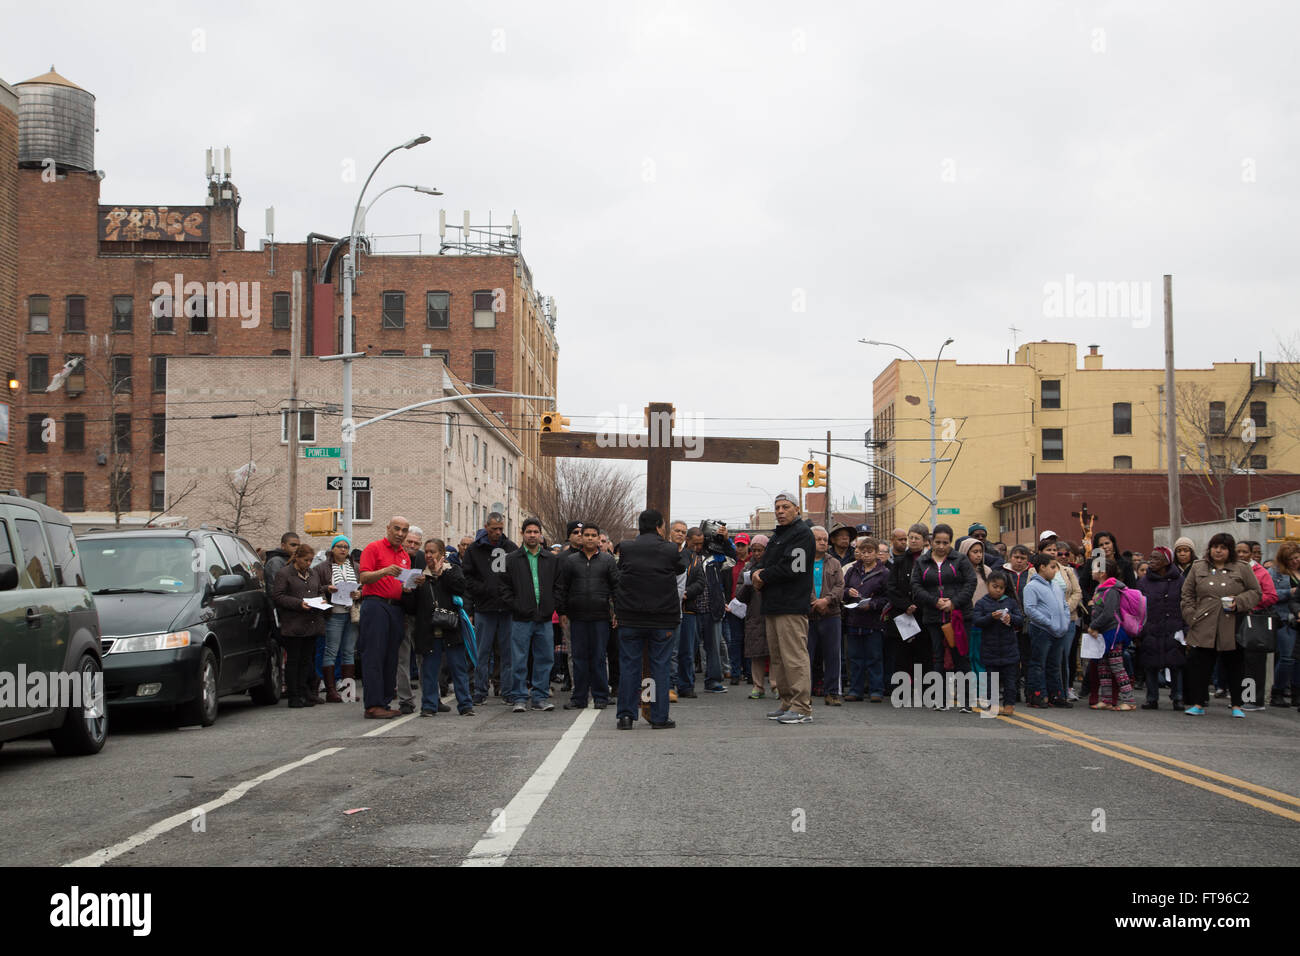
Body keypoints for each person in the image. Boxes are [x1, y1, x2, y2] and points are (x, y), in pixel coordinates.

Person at [612, 509, 686, 729]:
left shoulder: (626, 548)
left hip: (630, 617)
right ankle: (659, 716)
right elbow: (680, 567)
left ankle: (625, 716)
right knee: (660, 668)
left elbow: (620, 572)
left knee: (629, 667)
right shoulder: (670, 549)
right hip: (662, 618)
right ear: (659, 526)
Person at [1181, 532, 1261, 717]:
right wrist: (1191, 616)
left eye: (1223, 548)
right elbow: (1187, 594)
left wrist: (1239, 602)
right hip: (1203, 623)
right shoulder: (1198, 566)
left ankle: (1237, 705)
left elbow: (1255, 592)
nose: (1218, 551)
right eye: (1215, 547)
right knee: (1200, 665)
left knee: (1235, 665)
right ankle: (1197, 703)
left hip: (1232, 623)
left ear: (1229, 550)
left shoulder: (1242, 568)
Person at [754, 492, 817, 724]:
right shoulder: (778, 536)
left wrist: (763, 575)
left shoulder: (802, 534)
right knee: (779, 658)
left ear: (797, 510)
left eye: (785, 507)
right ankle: (787, 702)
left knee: (794, 657)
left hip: (791, 605)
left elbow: (795, 568)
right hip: (773, 604)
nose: (780, 511)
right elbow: (764, 562)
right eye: (777, 507)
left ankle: (802, 707)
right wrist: (757, 572)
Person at [911, 523, 977, 711]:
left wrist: (953, 603)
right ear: (931, 542)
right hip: (933, 616)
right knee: (937, 657)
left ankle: (966, 701)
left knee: (961, 656)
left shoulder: (960, 560)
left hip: (959, 616)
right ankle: (940, 699)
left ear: (950, 542)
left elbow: (970, 583)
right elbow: (916, 586)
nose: (941, 546)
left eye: (945, 542)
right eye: (937, 542)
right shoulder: (922, 562)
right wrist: (934, 601)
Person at [498, 518, 561, 712]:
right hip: (520, 618)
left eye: (535, 531)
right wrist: (516, 606)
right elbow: (503, 588)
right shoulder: (510, 559)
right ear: (522, 533)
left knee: (545, 658)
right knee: (518, 659)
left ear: (540, 534)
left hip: (544, 618)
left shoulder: (551, 559)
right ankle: (519, 697)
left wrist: (551, 605)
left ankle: (540, 697)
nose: (532, 535)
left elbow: (559, 586)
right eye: (528, 531)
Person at [557, 523, 619, 711]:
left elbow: (616, 587)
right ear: (581, 538)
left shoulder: (608, 561)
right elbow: (562, 588)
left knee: (599, 657)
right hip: (577, 617)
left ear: (598, 538)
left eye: (593, 535)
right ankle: (579, 698)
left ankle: (601, 696)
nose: (590, 538)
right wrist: (562, 612)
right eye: (587, 535)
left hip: (601, 617)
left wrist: (617, 611)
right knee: (579, 658)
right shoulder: (571, 561)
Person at [412, 538, 476, 716]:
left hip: (451, 627)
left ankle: (465, 705)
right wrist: (410, 589)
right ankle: (429, 706)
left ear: (441, 553)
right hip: (428, 629)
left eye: (433, 552)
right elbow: (411, 606)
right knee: (430, 671)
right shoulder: (420, 575)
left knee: (458, 668)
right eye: (426, 552)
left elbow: (460, 588)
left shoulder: (453, 570)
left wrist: (442, 573)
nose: (429, 555)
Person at [358, 517, 414, 719]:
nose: (400, 534)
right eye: (397, 529)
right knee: (374, 654)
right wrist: (384, 572)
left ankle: (385, 701)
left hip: (396, 608)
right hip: (376, 605)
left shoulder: (405, 556)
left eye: (404, 530)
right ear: (388, 528)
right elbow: (364, 577)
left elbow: (402, 583)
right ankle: (372, 704)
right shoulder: (373, 548)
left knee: (391, 656)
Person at [463, 512, 518, 704]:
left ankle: (508, 690)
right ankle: (480, 690)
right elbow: (467, 578)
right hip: (484, 608)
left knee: (507, 652)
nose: (497, 532)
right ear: (486, 527)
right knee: (482, 652)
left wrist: (510, 597)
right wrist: (483, 590)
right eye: (494, 528)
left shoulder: (511, 548)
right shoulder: (474, 550)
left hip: (506, 609)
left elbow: (518, 575)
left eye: (501, 529)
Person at [272, 544, 330, 708]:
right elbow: (278, 596)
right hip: (294, 624)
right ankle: (294, 695)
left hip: (311, 623)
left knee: (306, 661)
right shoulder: (284, 573)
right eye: (306, 560)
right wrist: (299, 603)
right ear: (297, 558)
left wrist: (321, 599)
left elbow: (319, 590)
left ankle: (305, 691)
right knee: (294, 661)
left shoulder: (312, 573)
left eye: (311, 560)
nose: (309, 563)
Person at [1137, 547, 1186, 709]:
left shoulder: (1179, 580)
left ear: (1166, 561)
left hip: (1174, 627)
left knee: (1176, 664)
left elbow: (1186, 604)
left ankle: (1178, 697)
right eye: (1150, 558)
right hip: (1151, 627)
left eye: (1156, 558)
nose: (1151, 561)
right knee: (1150, 663)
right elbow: (1138, 607)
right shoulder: (1143, 582)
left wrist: (1185, 628)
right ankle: (1152, 698)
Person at [1086, 558, 1137, 712]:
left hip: (1112, 632)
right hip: (1101, 633)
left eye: (1094, 569)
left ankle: (1129, 699)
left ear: (1103, 573)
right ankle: (1107, 699)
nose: (1091, 572)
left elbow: (1109, 613)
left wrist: (1093, 626)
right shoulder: (1099, 588)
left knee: (1117, 666)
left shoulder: (1111, 590)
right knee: (1103, 667)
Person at [843, 535, 890, 701]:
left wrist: (873, 604)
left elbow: (888, 597)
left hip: (874, 621)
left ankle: (876, 690)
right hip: (854, 618)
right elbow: (842, 589)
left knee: (874, 657)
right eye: (863, 551)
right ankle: (855, 690)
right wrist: (848, 592)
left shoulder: (884, 573)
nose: (866, 555)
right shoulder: (852, 570)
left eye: (870, 551)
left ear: (877, 553)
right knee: (855, 657)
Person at [1024, 551, 1073, 708]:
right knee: (1038, 663)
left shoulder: (1056, 586)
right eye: (1053, 567)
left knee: (1054, 664)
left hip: (1058, 630)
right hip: (1041, 630)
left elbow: (1065, 606)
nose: (1055, 571)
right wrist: (1048, 623)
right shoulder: (1032, 586)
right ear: (1042, 567)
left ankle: (1055, 695)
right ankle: (1036, 695)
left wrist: (1064, 623)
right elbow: (1030, 610)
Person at [315, 535, 360, 703]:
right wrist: (328, 589)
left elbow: (363, 586)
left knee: (349, 651)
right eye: (339, 546)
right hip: (334, 613)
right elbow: (316, 587)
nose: (343, 549)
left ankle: (348, 690)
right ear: (332, 549)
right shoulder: (322, 568)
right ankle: (331, 690)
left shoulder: (355, 567)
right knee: (331, 651)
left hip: (351, 613)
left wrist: (359, 593)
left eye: (346, 547)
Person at [970, 571, 1023, 713]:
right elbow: (977, 621)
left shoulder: (1010, 602)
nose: (998, 590)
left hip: (1009, 649)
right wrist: (990, 617)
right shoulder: (981, 603)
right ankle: (992, 704)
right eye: (995, 586)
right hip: (989, 649)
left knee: (1010, 681)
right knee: (991, 681)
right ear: (988, 586)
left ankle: (1009, 705)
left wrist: (1010, 618)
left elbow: (1020, 619)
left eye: (1001, 587)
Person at [1235, 539, 1278, 710]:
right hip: (1234, 619)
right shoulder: (1230, 570)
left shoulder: (1260, 572)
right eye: (1238, 551)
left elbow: (1272, 596)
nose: (1241, 555)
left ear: (1252, 554)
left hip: (1254, 621)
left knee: (1254, 662)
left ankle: (1253, 699)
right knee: (1238, 660)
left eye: (1245, 552)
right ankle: (1238, 697)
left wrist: (1250, 602)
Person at [887, 524, 930, 687]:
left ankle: (925, 688)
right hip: (903, 614)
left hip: (924, 613)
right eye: (910, 537)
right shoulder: (899, 561)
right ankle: (902, 688)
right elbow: (891, 588)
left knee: (923, 652)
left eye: (916, 538)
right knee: (902, 653)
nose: (912, 541)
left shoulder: (929, 561)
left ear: (925, 541)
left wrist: (918, 604)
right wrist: (906, 605)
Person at [807, 526, 846, 705]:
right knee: (805, 655)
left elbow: (840, 587)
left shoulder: (834, 563)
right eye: (818, 539)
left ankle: (832, 693)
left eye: (825, 539)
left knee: (832, 655)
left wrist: (826, 601)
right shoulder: (802, 561)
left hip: (831, 614)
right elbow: (798, 585)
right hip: (808, 615)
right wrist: (814, 601)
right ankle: (804, 693)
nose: (823, 542)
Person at [677, 529, 715, 696]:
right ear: (687, 540)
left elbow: (701, 582)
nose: (698, 546)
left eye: (700, 543)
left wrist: (686, 593)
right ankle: (671, 684)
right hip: (673, 608)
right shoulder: (676, 555)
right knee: (672, 650)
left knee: (688, 650)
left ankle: (686, 685)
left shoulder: (696, 559)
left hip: (690, 609)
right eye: (695, 543)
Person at [395, 526, 426, 715]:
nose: (412, 546)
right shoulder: (396, 557)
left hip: (420, 614)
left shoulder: (423, 558)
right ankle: (406, 700)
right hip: (401, 612)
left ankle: (431, 696)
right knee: (403, 659)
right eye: (409, 542)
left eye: (416, 543)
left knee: (425, 657)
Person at [736, 536, 771, 698]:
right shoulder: (747, 569)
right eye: (754, 550)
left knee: (775, 652)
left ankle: (776, 685)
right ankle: (758, 686)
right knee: (756, 654)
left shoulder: (773, 567)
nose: (757, 554)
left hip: (771, 612)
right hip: (754, 615)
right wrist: (748, 584)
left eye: (760, 550)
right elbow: (739, 595)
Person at [1270, 542, 1300, 708]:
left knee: (1298, 660)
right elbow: (1270, 594)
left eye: (1296, 557)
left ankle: (1296, 694)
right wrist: (1290, 592)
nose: (1294, 562)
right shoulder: (1276, 572)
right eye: (1290, 559)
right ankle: (1278, 691)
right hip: (1284, 619)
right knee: (1287, 657)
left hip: (1298, 619)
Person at [957, 537, 991, 684]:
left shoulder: (987, 571)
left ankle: (982, 687)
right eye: (974, 552)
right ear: (965, 553)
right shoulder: (958, 571)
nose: (978, 555)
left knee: (981, 655)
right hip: (965, 618)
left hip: (983, 619)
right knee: (966, 655)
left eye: (980, 552)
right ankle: (967, 686)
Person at [726, 534, 751, 684]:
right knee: (735, 640)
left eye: (743, 545)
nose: (740, 548)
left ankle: (749, 672)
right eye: (738, 545)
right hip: (733, 606)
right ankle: (735, 673)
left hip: (749, 606)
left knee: (749, 640)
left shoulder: (753, 562)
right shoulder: (731, 563)